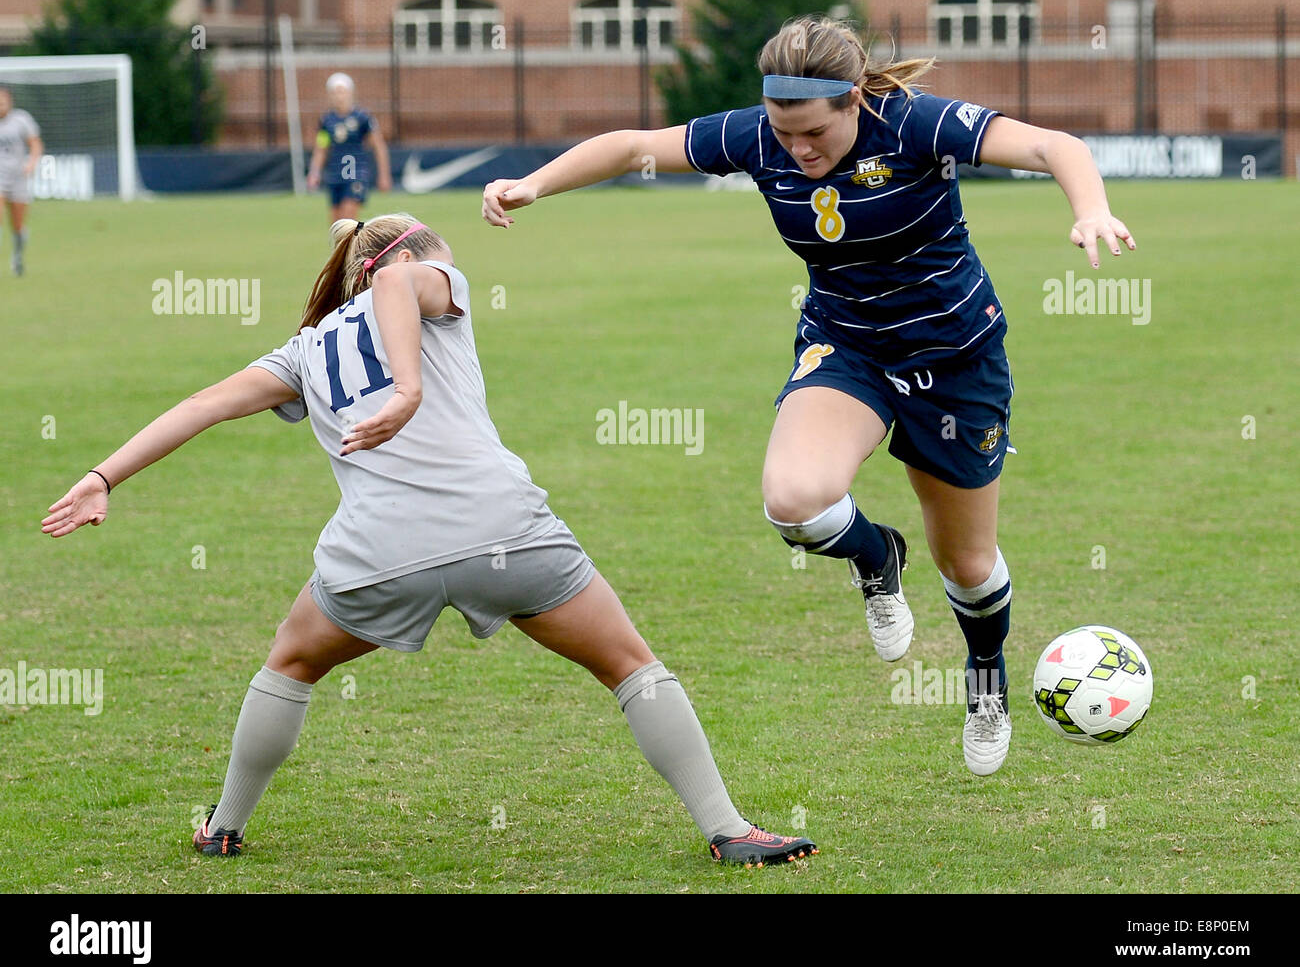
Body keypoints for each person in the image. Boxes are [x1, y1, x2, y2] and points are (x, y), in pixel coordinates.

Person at [41, 211, 817, 869]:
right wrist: (409, 387)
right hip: (503, 533)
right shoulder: (413, 279)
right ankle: (728, 829)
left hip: (378, 554)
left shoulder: (307, 349)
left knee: (291, 661)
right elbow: (393, 285)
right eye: (440, 263)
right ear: (409, 258)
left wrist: (104, 476)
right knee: (628, 663)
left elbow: (205, 402)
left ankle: (223, 829)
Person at [482, 16, 1137, 777]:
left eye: (815, 133)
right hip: (848, 345)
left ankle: (985, 685)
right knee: (795, 501)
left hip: (955, 358)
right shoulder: (759, 136)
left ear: (856, 98)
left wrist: (1088, 208)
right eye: (783, 131)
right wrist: (534, 183)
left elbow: (1057, 146)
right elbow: (634, 145)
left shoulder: (913, 122)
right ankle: (876, 556)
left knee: (966, 562)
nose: (798, 149)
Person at [306, 73, 392, 222]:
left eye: (342, 91)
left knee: (349, 219)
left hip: (355, 174)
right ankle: (345, 246)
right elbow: (321, 148)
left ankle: (355, 244)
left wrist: (384, 175)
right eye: (335, 92)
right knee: (337, 224)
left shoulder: (362, 118)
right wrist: (314, 173)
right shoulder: (326, 120)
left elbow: (379, 146)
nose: (339, 96)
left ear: (350, 93)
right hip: (335, 174)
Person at [0, 86, 43, 276]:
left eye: (3, 101)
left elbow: (35, 143)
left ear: (10, 101)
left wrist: (32, 162)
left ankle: (17, 257)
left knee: (17, 226)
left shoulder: (21, 120)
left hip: (18, 177)